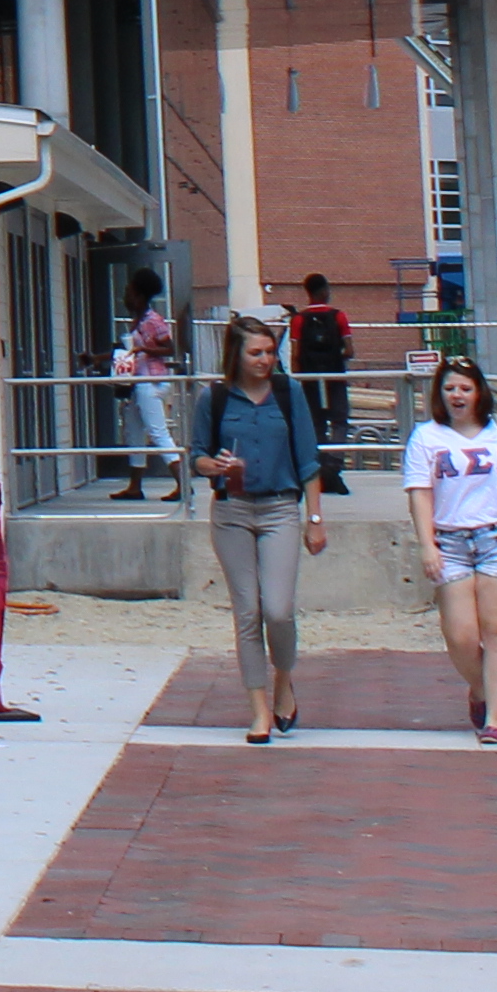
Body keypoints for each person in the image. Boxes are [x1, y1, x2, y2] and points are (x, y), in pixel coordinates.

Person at [401, 351, 497, 743]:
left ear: (479, 393)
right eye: (450, 388)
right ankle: (481, 687)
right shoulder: (426, 437)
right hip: (450, 541)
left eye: (465, 388)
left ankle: (496, 720)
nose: (457, 395)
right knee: (461, 636)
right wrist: (427, 544)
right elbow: (420, 493)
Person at [195, 314, 328, 742]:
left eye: (270, 352)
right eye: (256, 352)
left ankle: (283, 682)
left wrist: (315, 519)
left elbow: (309, 459)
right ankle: (258, 712)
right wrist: (214, 465)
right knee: (248, 613)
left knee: (278, 610)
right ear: (235, 354)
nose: (264, 360)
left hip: (279, 508)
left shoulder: (289, 393)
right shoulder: (214, 398)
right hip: (231, 509)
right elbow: (196, 455)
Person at [106, 270, 187, 502]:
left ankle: (183, 483)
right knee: (134, 432)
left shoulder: (152, 320)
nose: (126, 297)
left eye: (129, 292)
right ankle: (135, 486)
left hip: (150, 381)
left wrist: (144, 349)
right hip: (138, 382)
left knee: (158, 432)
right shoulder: (138, 320)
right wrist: (98, 358)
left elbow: (170, 348)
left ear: (140, 296)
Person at [290, 273, 356, 496]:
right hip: (335, 377)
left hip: (310, 380)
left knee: (315, 422)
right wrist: (334, 357)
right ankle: (334, 466)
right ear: (325, 290)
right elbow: (349, 350)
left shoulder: (298, 320)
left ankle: (320, 466)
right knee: (340, 421)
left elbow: (295, 355)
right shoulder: (338, 316)